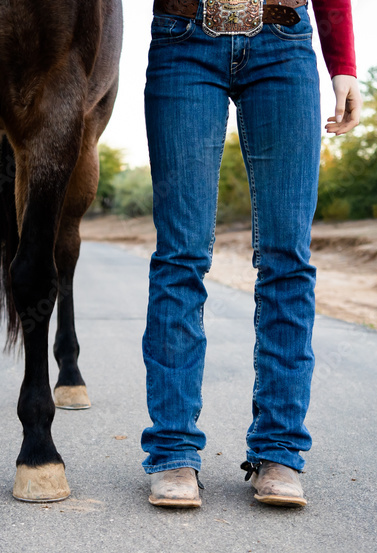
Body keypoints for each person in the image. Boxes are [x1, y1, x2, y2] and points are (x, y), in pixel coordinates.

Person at [141, 0, 361, 508]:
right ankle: (173, 451)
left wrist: (343, 62)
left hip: (283, 43)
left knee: (288, 257)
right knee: (181, 255)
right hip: (183, 36)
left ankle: (279, 449)